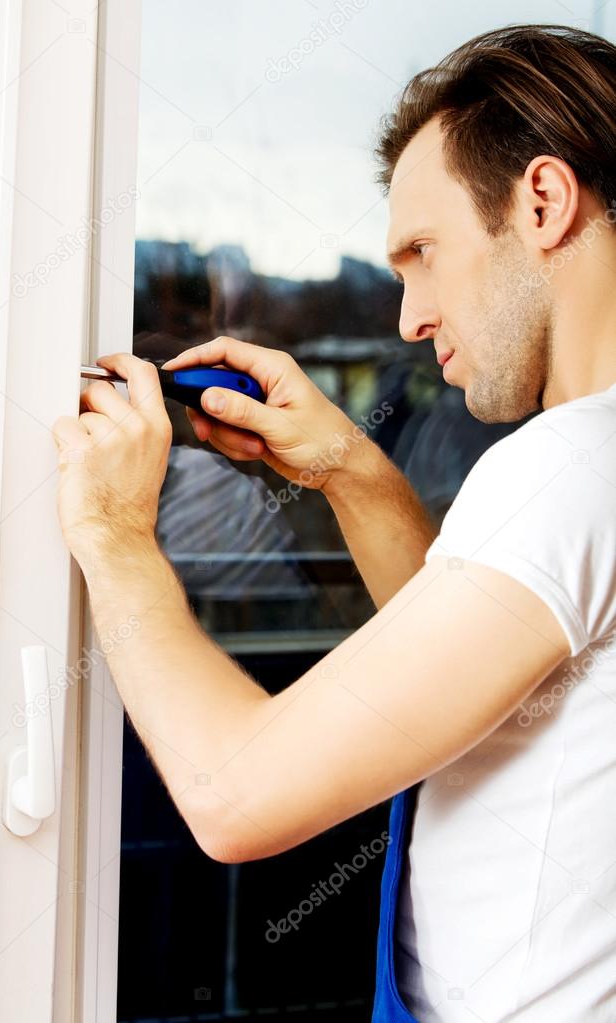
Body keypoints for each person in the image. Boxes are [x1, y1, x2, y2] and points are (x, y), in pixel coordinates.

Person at [52, 23, 616, 1023]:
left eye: (423, 255)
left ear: (541, 200)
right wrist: (350, 469)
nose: (408, 317)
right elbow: (468, 675)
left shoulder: (568, 468)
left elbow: (233, 798)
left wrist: (112, 534)